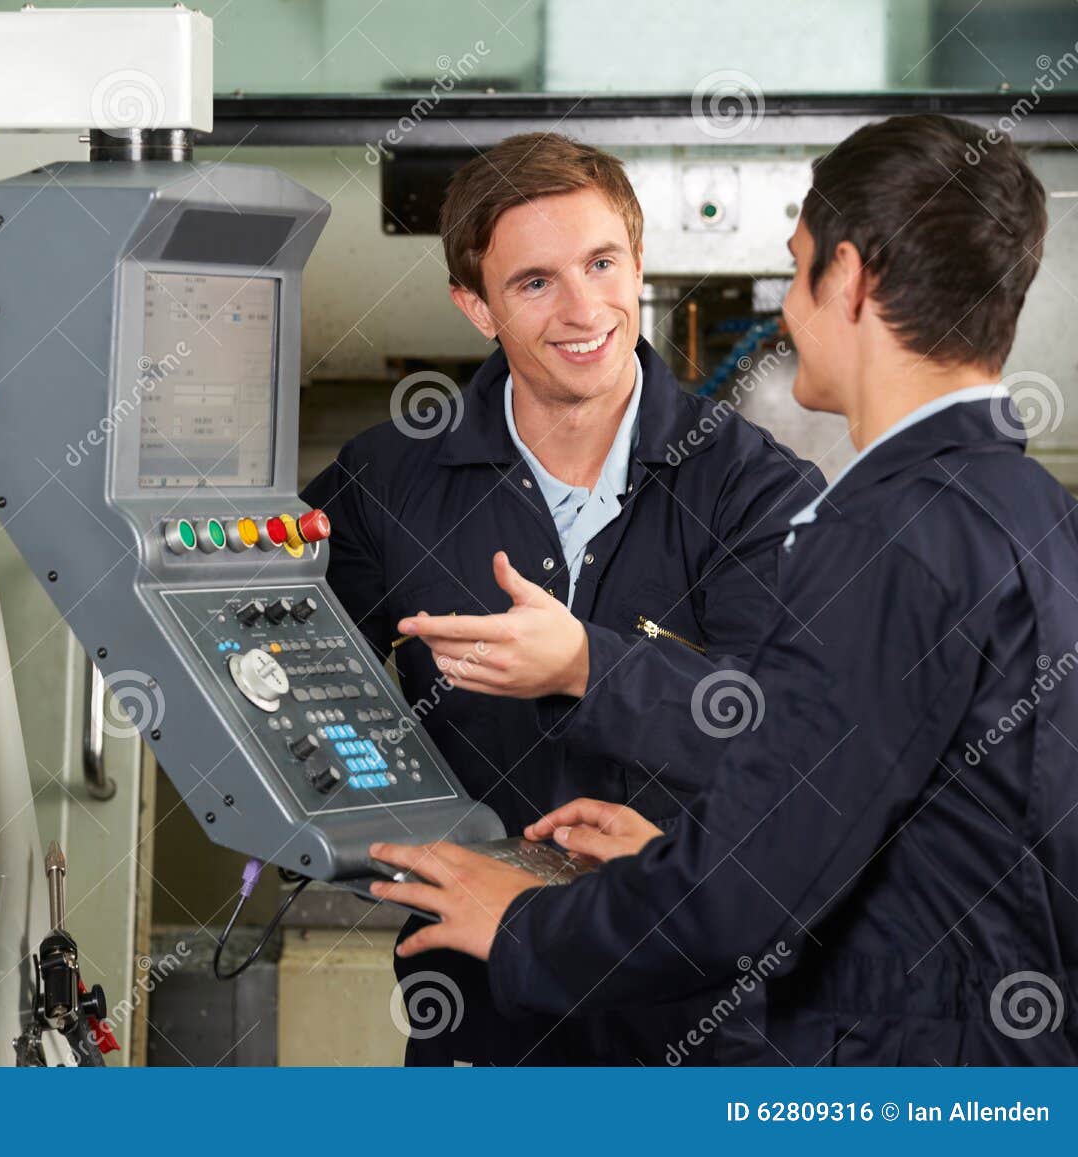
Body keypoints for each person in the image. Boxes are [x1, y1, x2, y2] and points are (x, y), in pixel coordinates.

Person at [372, 113, 1077, 1065]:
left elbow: (750, 893)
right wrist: (674, 859)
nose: (786, 309)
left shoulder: (878, 537)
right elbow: (881, 838)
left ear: (852, 278)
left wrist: (524, 923)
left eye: (795, 271)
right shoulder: (1031, 507)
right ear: (480, 303)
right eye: (536, 281)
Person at [300, 132, 824, 1065]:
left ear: (638, 261)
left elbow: (794, 742)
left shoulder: (752, 490)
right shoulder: (390, 479)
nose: (584, 309)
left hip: (695, 1020)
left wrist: (591, 663)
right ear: (476, 306)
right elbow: (288, 666)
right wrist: (377, 827)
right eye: (535, 282)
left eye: (601, 263)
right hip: (477, 1008)